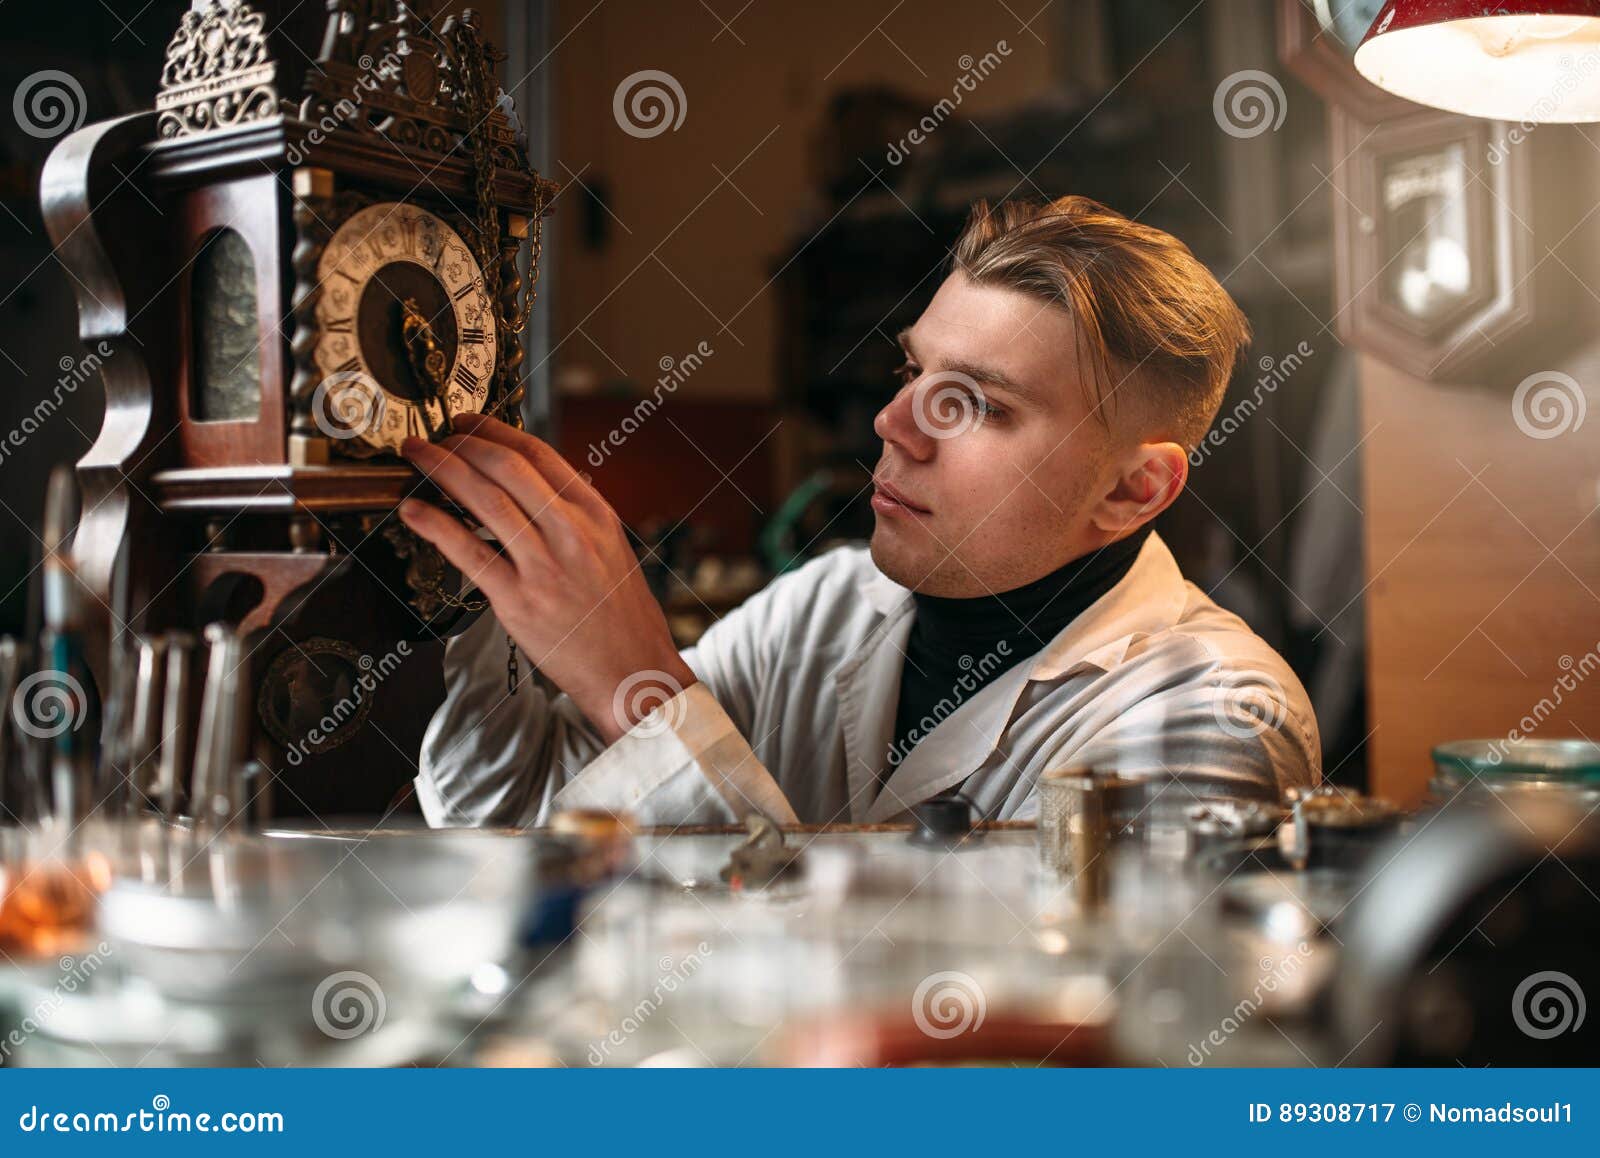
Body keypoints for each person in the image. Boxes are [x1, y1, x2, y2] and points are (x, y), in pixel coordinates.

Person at [401, 195, 1320, 827]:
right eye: (914, 373)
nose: (893, 424)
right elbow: (512, 816)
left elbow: (977, 1061)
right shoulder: (824, 610)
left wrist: (640, 691)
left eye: (977, 405)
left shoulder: (1213, 715)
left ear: (1134, 490)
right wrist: (490, 581)